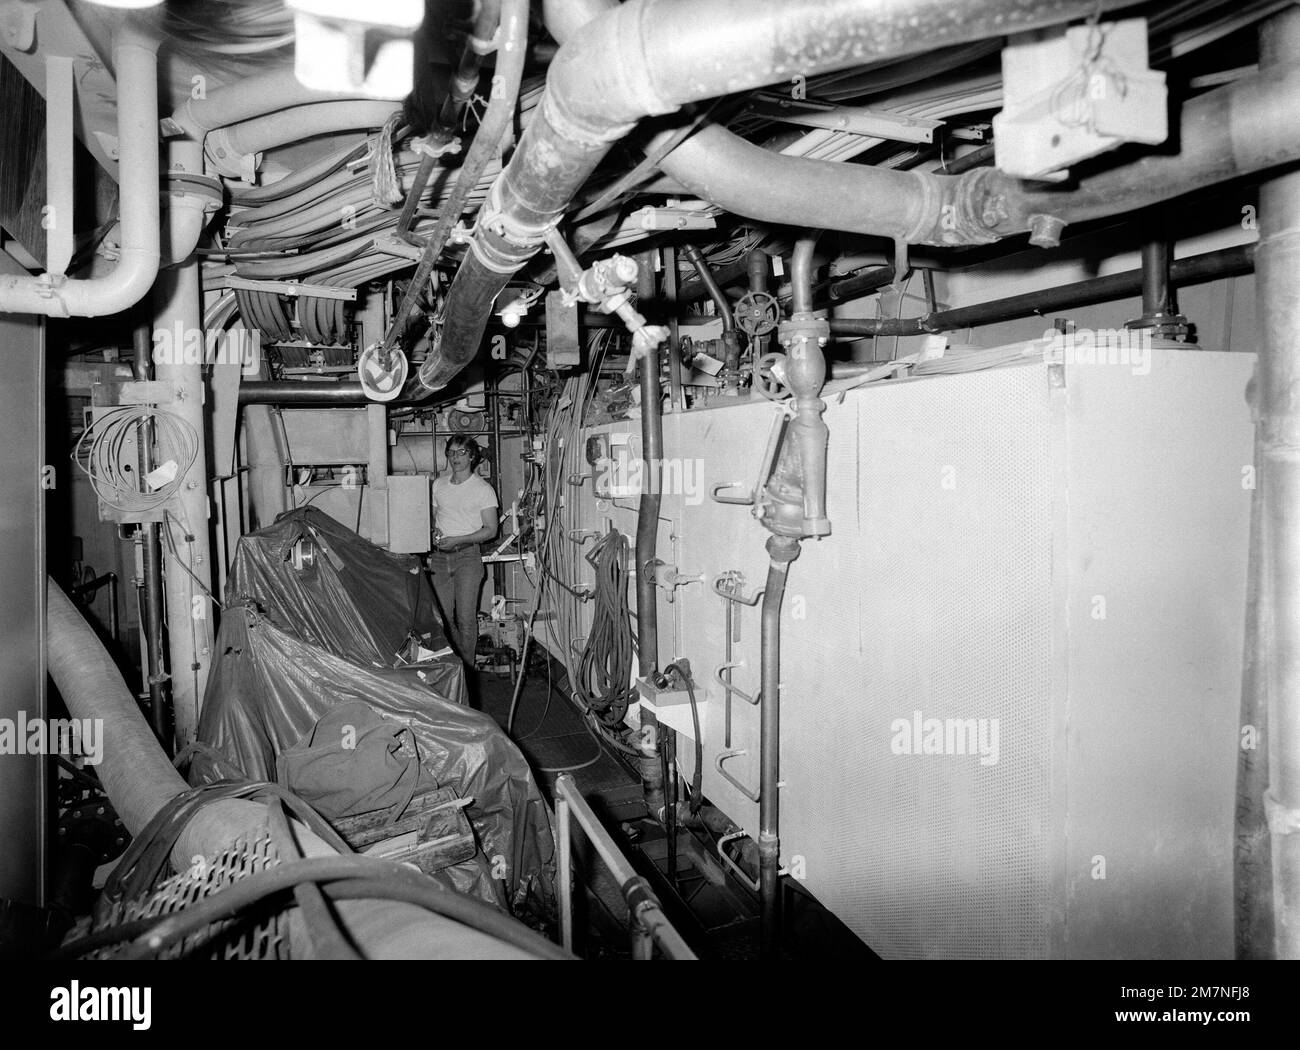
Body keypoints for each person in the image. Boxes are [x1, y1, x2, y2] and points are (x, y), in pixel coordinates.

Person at [429, 435, 498, 671]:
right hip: (438, 559)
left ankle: (466, 671)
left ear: (472, 456)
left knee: (466, 619)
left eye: (461, 453)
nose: (455, 458)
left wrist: (459, 539)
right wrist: (432, 531)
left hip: (467, 557)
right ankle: (449, 669)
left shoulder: (483, 489)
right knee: (442, 619)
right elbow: (431, 516)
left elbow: (491, 530)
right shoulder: (438, 485)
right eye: (451, 453)